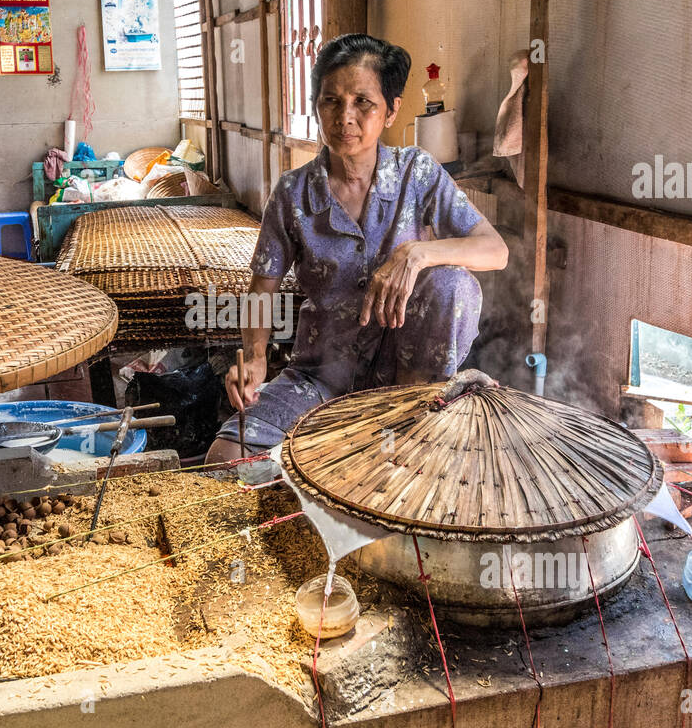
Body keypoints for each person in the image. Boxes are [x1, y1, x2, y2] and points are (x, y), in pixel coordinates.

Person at [206, 33, 509, 463]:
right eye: (330, 101)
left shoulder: (416, 174)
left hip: (409, 391)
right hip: (322, 377)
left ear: (391, 111)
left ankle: (417, 423)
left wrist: (417, 254)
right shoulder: (294, 193)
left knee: (452, 283)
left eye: (363, 102)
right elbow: (261, 290)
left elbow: (495, 251)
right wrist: (254, 358)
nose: (345, 117)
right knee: (226, 459)